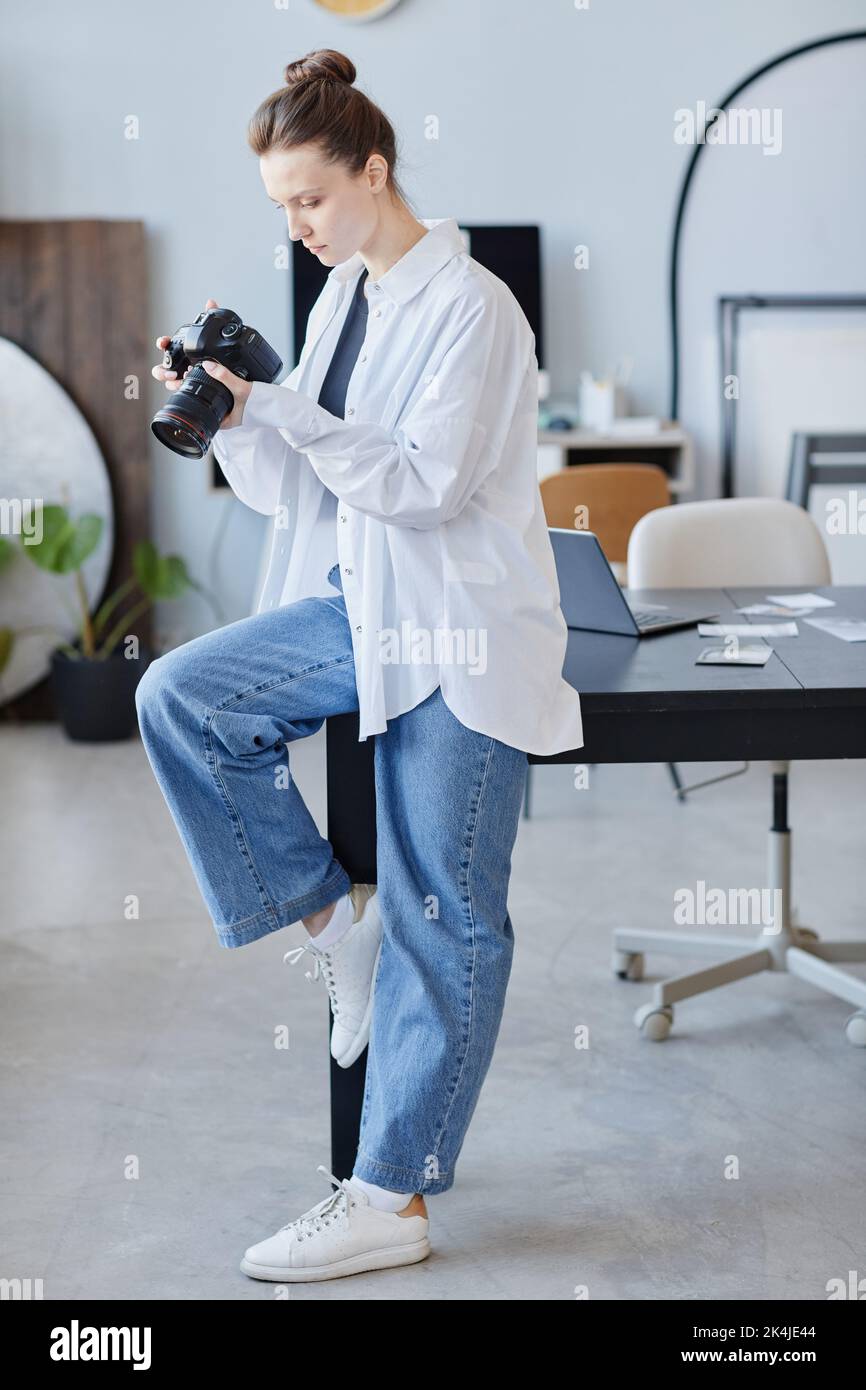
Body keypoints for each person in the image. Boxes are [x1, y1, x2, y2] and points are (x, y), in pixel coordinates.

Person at [137, 47, 584, 1285]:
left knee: (448, 913)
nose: (295, 225)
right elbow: (303, 493)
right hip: (358, 603)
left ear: (372, 169)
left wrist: (280, 411)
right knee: (179, 694)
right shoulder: (344, 301)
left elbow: (424, 486)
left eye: (309, 199)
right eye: (279, 205)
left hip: (456, 628)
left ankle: (387, 1196)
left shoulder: (472, 306)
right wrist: (234, 412)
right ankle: (336, 921)